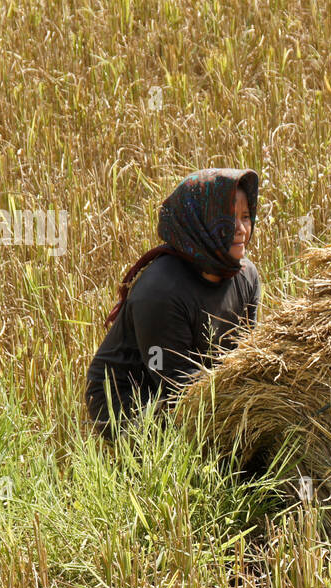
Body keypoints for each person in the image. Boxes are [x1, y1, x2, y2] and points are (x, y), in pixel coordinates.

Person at [85, 168, 261, 439]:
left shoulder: (246, 276)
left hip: (204, 385)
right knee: (194, 453)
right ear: (201, 224)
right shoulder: (161, 291)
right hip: (134, 398)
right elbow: (175, 385)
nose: (241, 230)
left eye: (246, 217)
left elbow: (247, 355)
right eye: (227, 219)